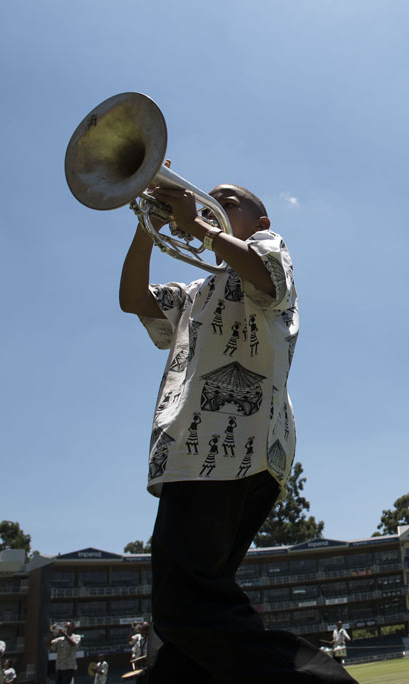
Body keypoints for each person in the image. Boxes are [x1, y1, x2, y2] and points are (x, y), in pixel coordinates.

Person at [118, 178, 355, 682]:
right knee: (185, 617)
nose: (214, 203)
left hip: (233, 446)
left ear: (261, 221)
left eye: (229, 202)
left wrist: (197, 226)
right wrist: (148, 227)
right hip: (197, 448)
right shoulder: (195, 290)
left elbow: (266, 278)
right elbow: (132, 298)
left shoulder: (269, 246)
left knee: (184, 603)